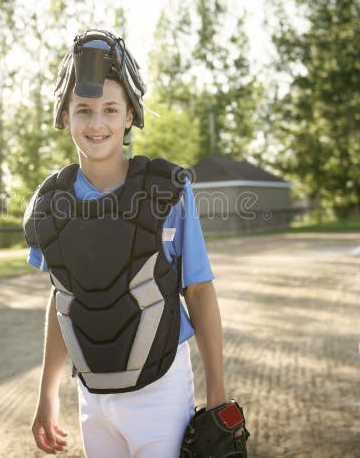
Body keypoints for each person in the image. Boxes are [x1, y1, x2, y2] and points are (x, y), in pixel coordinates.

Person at [24, 29, 231, 457]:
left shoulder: (166, 190)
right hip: (92, 399)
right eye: (83, 110)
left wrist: (218, 395)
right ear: (65, 117)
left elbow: (200, 290)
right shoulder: (50, 203)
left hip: (160, 394)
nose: (96, 123)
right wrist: (46, 394)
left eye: (110, 109)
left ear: (130, 116)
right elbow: (63, 298)